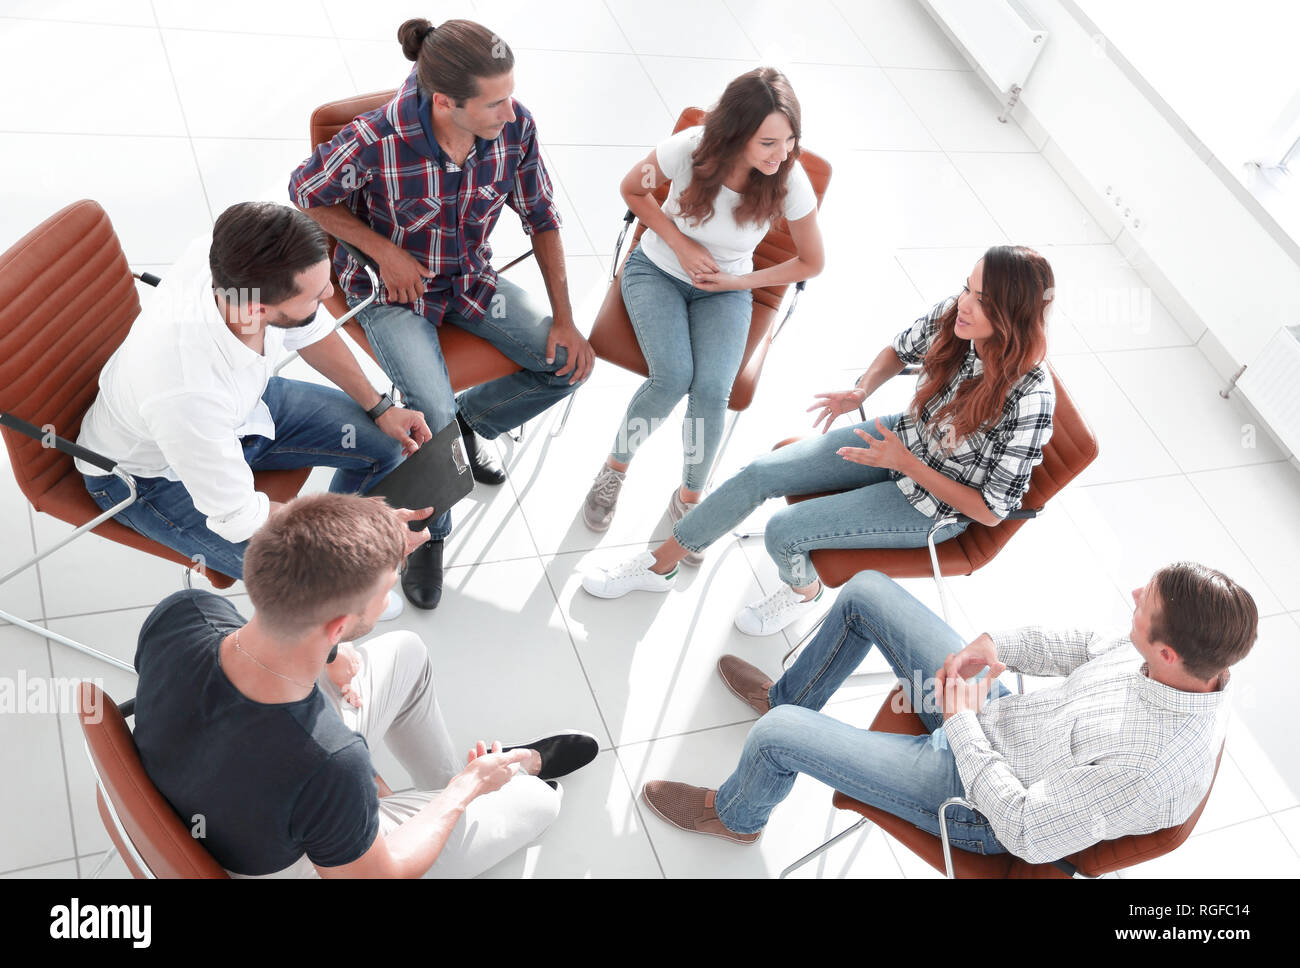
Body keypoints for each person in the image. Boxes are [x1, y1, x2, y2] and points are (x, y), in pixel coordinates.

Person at [583, 245, 1057, 637]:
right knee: (759, 474)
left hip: (932, 506)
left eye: (981, 300)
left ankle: (803, 591)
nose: (964, 303)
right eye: (966, 287)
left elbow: (990, 510)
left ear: (1012, 317)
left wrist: (908, 465)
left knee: (784, 532)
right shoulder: (959, 316)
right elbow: (899, 349)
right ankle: (661, 564)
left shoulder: (1031, 399)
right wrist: (862, 390)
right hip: (903, 437)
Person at [640, 564, 1257, 864]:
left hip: (977, 803)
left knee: (774, 739)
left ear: (1169, 652)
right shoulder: (1183, 661)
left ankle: (736, 813)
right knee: (864, 592)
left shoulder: (1151, 768)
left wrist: (960, 722)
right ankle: (792, 701)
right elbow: (1082, 646)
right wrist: (997, 644)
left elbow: (1027, 831)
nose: (1133, 597)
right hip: (999, 722)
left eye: (1142, 605)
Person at [131, 492, 599, 878]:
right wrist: (467, 789)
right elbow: (380, 878)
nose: (390, 594)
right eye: (386, 590)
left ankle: (431, 793)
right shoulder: (332, 765)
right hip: (288, 865)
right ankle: (462, 790)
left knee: (408, 652)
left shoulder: (186, 610)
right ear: (338, 624)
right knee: (538, 801)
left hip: (222, 783)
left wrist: (331, 650)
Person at [289, 18, 593, 611]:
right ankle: (428, 536)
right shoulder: (375, 138)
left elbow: (543, 216)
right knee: (428, 415)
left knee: (570, 365)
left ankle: (474, 423)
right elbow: (306, 193)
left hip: (472, 281)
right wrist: (383, 252)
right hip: (395, 297)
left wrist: (565, 317)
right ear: (447, 101)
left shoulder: (515, 127)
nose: (512, 111)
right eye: (496, 101)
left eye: (511, 94)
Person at [77, 201, 430, 618]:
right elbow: (239, 516)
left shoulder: (234, 261)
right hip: (149, 478)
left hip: (242, 409)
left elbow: (310, 328)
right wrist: (350, 525)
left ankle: (350, 562)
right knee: (305, 586)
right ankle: (341, 587)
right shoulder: (186, 389)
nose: (331, 294)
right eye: (316, 295)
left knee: (385, 444)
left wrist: (380, 406)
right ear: (257, 312)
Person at [581, 67, 824, 542]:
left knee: (713, 391)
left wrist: (739, 280)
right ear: (735, 134)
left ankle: (690, 498)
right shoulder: (689, 149)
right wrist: (681, 243)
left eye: (790, 140)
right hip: (658, 271)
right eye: (768, 143)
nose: (783, 155)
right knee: (672, 378)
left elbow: (812, 261)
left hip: (728, 289)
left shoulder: (789, 180)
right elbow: (631, 189)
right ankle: (615, 467)